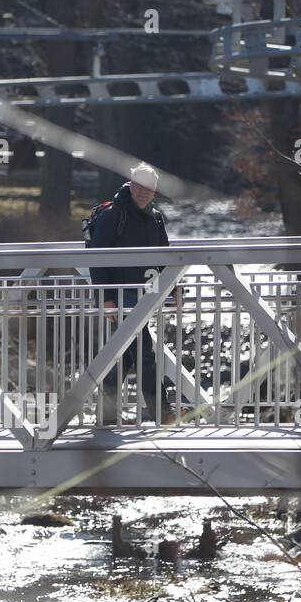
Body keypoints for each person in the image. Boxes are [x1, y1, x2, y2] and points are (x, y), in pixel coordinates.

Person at [88, 163, 178, 425]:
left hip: (145, 294)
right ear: (129, 184)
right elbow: (97, 259)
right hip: (120, 294)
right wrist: (106, 299)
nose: (143, 191)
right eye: (139, 185)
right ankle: (163, 412)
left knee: (125, 356)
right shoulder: (113, 215)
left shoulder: (156, 217)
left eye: (149, 187)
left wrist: (174, 288)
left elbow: (164, 256)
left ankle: (106, 415)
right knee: (144, 353)